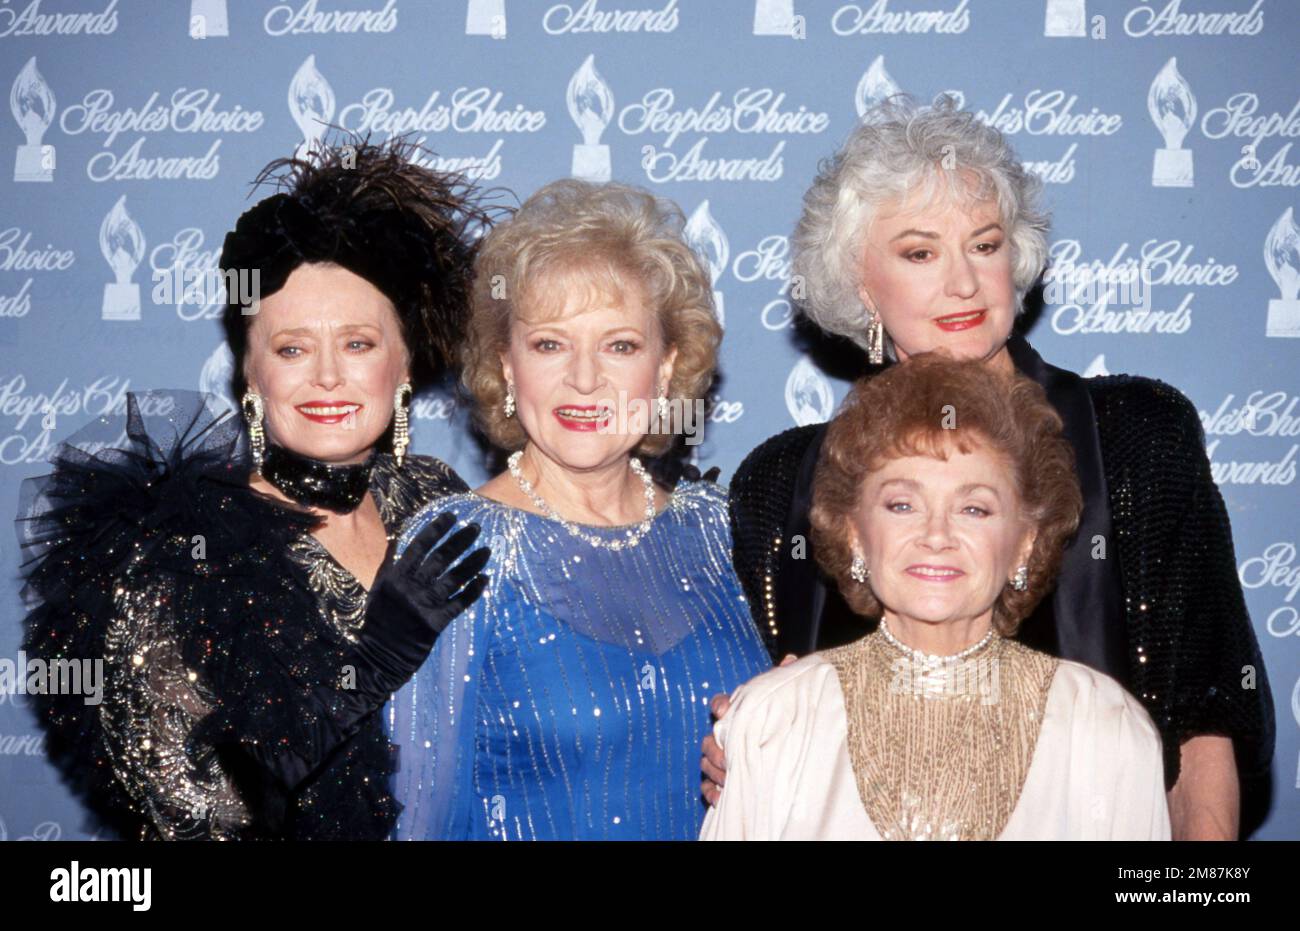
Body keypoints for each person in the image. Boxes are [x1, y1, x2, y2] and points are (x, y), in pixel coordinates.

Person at [708, 95, 1273, 840]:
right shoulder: (781, 481)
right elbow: (771, 712)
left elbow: (1206, 724)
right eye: (919, 253)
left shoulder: (1136, 436)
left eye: (984, 244)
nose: (964, 284)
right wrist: (749, 742)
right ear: (858, 281)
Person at [17, 138, 492, 840]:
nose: (326, 375)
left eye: (358, 343)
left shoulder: (432, 498)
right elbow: (203, 809)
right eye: (292, 348)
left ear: (403, 368)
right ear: (251, 374)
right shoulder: (180, 557)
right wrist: (374, 661)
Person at [387, 179, 772, 840]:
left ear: (666, 365)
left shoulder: (721, 533)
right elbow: (417, 819)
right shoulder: (455, 547)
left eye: (619, 345)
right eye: (550, 344)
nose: (585, 379)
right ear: (508, 365)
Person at [701, 356, 1171, 840]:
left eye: (974, 508)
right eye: (903, 504)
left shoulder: (1104, 727)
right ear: (854, 532)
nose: (936, 534)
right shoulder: (775, 719)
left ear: (1026, 542)